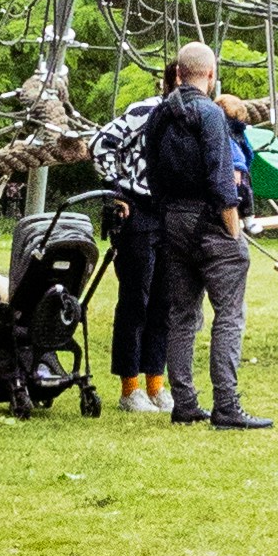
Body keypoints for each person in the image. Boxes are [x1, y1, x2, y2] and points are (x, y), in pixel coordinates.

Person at [145, 42, 270, 429]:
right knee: (229, 315)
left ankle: (184, 402)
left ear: (178, 73)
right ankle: (227, 406)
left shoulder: (158, 116)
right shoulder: (210, 116)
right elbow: (221, 177)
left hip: (171, 220)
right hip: (211, 221)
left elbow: (151, 174)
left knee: (182, 315)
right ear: (211, 76)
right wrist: (234, 231)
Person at [90, 66, 173, 415]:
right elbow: (99, 144)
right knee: (135, 300)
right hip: (137, 211)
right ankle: (130, 387)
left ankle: (157, 383)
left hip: (171, 213)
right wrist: (117, 189)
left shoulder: (193, 117)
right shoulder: (146, 112)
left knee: (164, 301)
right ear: (169, 83)